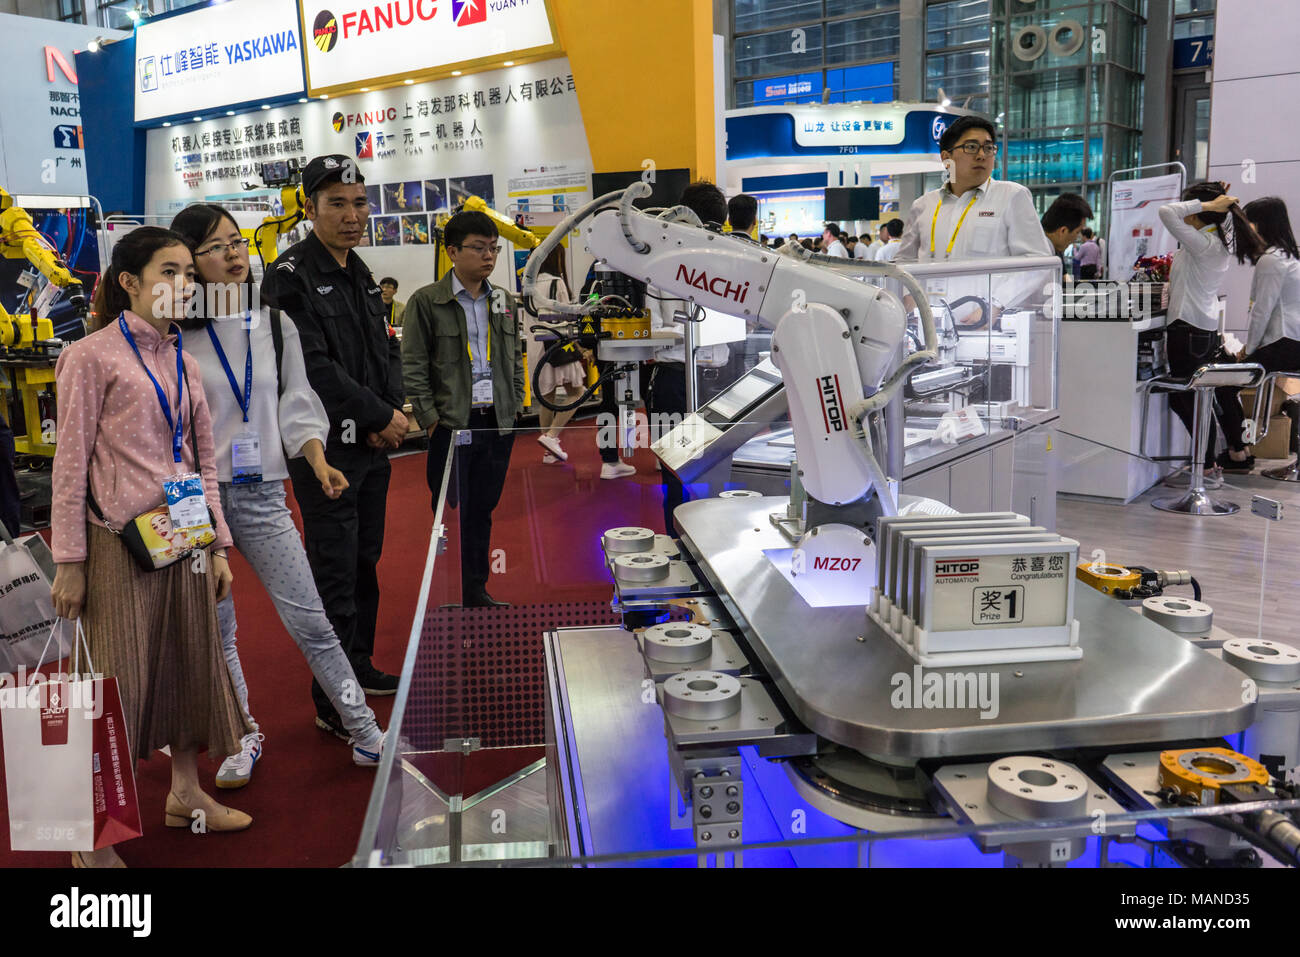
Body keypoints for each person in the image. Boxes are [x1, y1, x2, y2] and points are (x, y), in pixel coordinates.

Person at [51, 227, 253, 866]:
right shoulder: (91, 356)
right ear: (129, 282)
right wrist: (70, 562)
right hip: (116, 546)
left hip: (184, 537)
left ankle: (186, 793)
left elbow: (202, 462)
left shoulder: (183, 360)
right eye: (170, 271)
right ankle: (92, 831)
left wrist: (218, 545)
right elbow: (68, 465)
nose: (184, 285)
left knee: (192, 667)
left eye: (190, 273)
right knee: (113, 687)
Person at [171, 204, 386, 782]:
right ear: (189, 262)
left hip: (263, 491)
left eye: (237, 242)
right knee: (218, 630)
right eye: (215, 247)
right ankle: (241, 735)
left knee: (311, 620)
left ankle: (365, 731)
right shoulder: (173, 335)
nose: (234, 254)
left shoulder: (272, 323)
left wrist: (316, 459)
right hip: (193, 500)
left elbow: (296, 402)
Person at [259, 155, 407, 739]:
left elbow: (383, 348)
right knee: (335, 572)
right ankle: (333, 700)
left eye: (360, 203)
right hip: (325, 454)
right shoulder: (289, 276)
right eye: (337, 204)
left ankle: (359, 665)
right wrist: (377, 415)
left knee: (366, 564)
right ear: (310, 207)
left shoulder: (360, 270)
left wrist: (391, 415)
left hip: (372, 447)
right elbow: (311, 368)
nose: (352, 216)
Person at [403, 210, 524, 607]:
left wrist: (516, 402)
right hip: (452, 423)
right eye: (478, 248)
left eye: (493, 248)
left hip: (496, 421)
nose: (488, 256)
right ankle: (444, 589)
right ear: (452, 251)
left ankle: (474, 590)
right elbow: (415, 364)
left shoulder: (504, 300)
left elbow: (514, 357)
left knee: (482, 510)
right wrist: (430, 419)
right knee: (447, 513)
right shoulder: (426, 302)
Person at [1157, 181, 1264, 473]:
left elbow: (1166, 212)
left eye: (1191, 207)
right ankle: (1207, 461)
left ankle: (1204, 463)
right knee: (1191, 398)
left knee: (1184, 399)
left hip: (1187, 328)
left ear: (1197, 213)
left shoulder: (1202, 243)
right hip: (1199, 329)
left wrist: (1208, 205)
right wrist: (1213, 202)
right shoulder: (1214, 242)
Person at [645, 180, 729, 534]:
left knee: (720, 475)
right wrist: (695, 333)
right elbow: (654, 329)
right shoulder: (662, 265)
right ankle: (682, 550)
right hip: (675, 380)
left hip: (720, 382)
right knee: (677, 475)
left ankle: (716, 552)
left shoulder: (730, 263)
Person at [1214, 197, 1300, 472]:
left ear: (1261, 223)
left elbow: (1261, 312)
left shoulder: (1271, 261)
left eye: (1248, 221)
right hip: (1292, 342)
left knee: (1223, 382)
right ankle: (1241, 450)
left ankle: (1238, 453)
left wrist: (1248, 350)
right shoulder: (1290, 257)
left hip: (1284, 343)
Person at [898, 116, 1051, 264]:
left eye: (988, 148)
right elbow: (903, 263)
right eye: (971, 147)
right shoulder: (923, 206)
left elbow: (1036, 263)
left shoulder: (1012, 196)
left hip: (991, 291)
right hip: (928, 291)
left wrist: (997, 291)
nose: (982, 155)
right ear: (946, 158)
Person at [530, 244, 585, 464]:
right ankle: (551, 437)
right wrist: (579, 347)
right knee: (578, 392)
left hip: (537, 348)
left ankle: (547, 450)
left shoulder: (529, 284)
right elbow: (567, 317)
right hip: (558, 346)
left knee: (547, 397)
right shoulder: (556, 283)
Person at [1041, 193, 1093, 258]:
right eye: (1077, 232)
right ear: (1063, 231)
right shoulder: (1039, 259)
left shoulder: (1054, 251)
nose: (1076, 238)